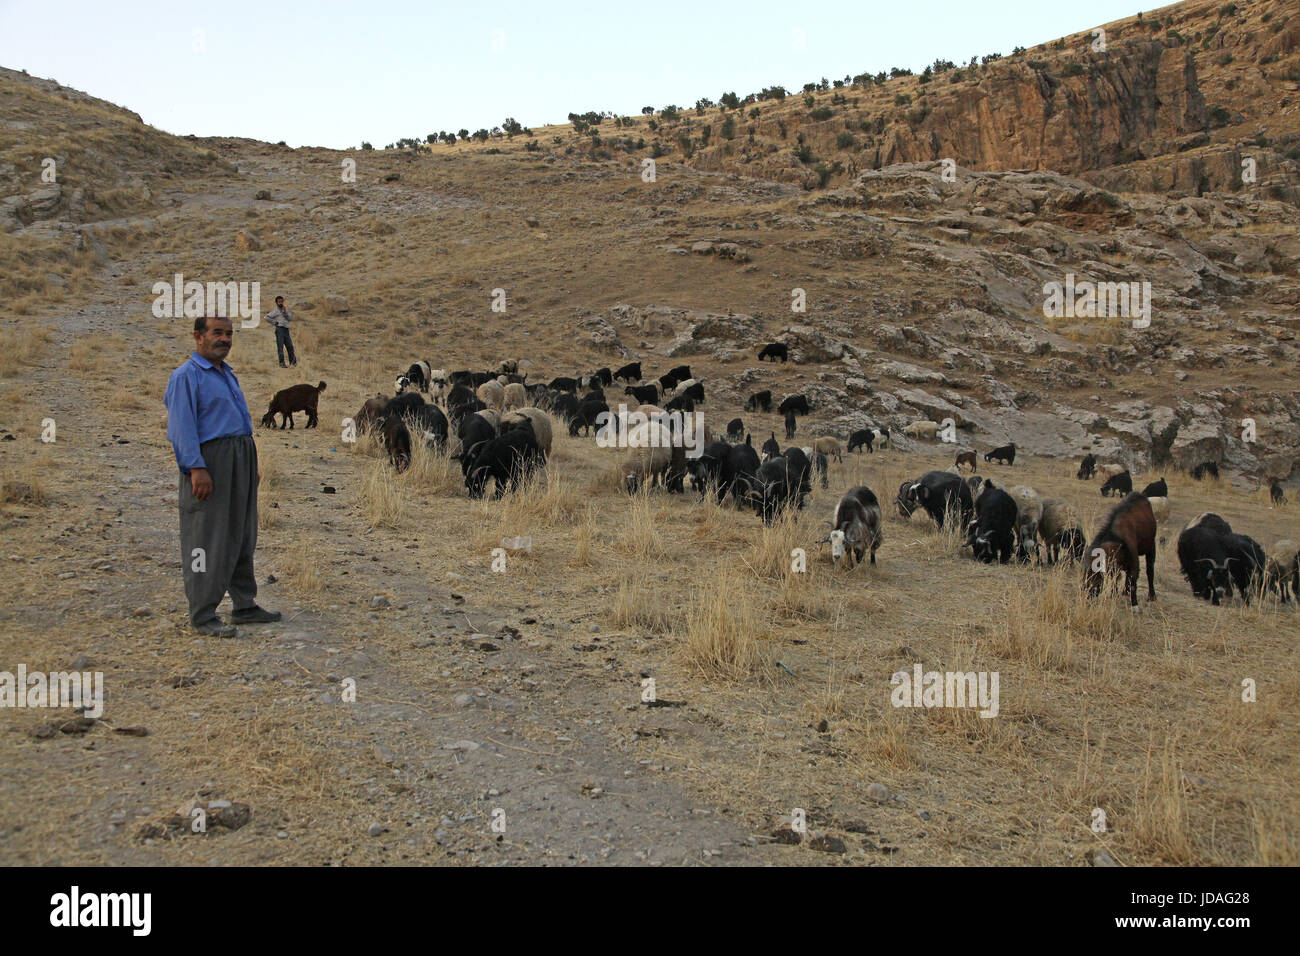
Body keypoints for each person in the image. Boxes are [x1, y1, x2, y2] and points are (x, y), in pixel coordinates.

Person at [164, 315, 281, 637]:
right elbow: (181, 428)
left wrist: (248, 467)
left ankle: (244, 605)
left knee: (242, 534)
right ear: (198, 336)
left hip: (239, 459)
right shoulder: (186, 376)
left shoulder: (226, 374)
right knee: (207, 538)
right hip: (210, 461)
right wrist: (196, 468)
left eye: (229, 334)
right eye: (218, 333)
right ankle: (202, 614)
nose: (225, 339)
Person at [265, 295, 297, 367]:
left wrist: (284, 312)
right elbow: (266, 317)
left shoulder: (286, 310)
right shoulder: (275, 311)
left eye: (282, 301)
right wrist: (274, 322)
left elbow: (290, 319)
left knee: (290, 346)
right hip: (279, 329)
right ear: (276, 303)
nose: (281, 303)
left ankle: (293, 363)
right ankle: (282, 363)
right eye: (279, 302)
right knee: (280, 347)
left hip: (286, 329)